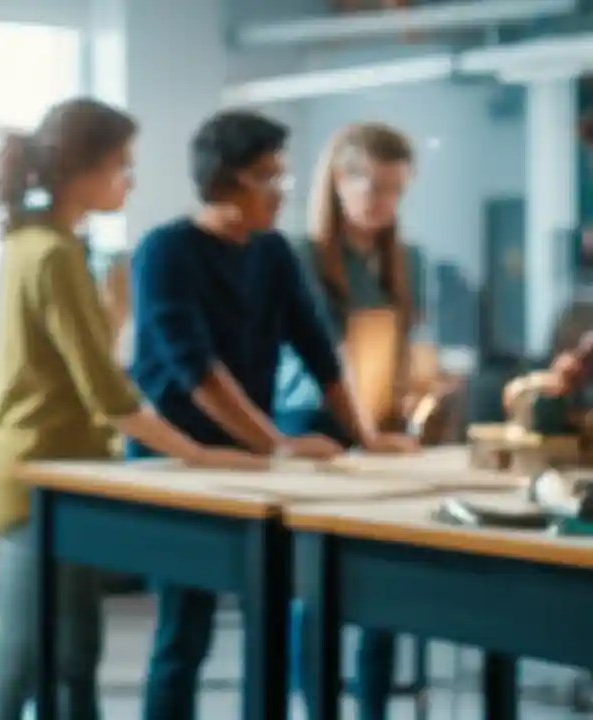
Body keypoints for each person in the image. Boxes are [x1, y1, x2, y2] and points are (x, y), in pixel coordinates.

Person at [0, 98, 267, 720]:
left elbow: (74, 365)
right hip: (38, 479)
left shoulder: (41, 244)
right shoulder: (51, 253)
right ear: (82, 169)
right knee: (29, 657)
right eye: (122, 166)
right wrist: (200, 454)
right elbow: (107, 395)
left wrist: (115, 307)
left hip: (52, 469)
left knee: (77, 656)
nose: (131, 181)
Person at [128, 110, 417, 720]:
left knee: (266, 621)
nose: (282, 191)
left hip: (250, 458)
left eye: (283, 176)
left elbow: (317, 347)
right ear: (226, 180)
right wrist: (278, 444)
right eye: (269, 177)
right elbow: (197, 371)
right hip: (179, 462)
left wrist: (366, 436)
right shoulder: (166, 250)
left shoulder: (273, 252)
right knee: (185, 632)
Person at [274, 122, 422, 720]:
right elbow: (324, 356)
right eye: (375, 188)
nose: (384, 205)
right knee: (314, 594)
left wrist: (407, 402)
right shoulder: (300, 255)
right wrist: (360, 430)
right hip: (313, 424)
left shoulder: (399, 259)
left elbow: (398, 346)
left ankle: (374, 709)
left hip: (379, 430)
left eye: (396, 192)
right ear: (339, 181)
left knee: (384, 590)